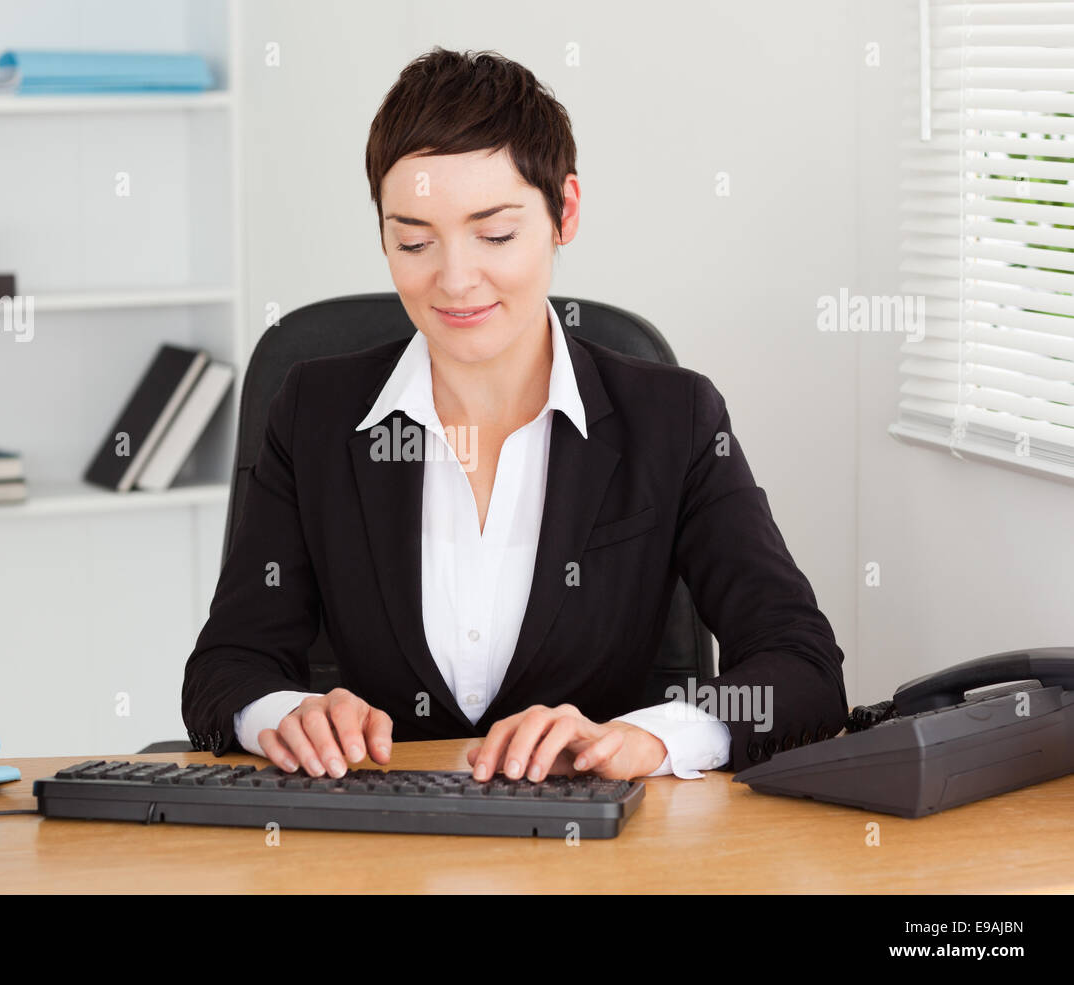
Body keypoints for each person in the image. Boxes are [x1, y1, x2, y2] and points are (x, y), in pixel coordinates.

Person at [182, 47, 847, 783]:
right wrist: (282, 712)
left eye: (494, 234)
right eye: (413, 240)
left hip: (598, 857)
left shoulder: (674, 419)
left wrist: (645, 739)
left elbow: (803, 669)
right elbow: (226, 666)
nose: (456, 279)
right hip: (377, 852)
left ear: (565, 211)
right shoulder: (314, 413)